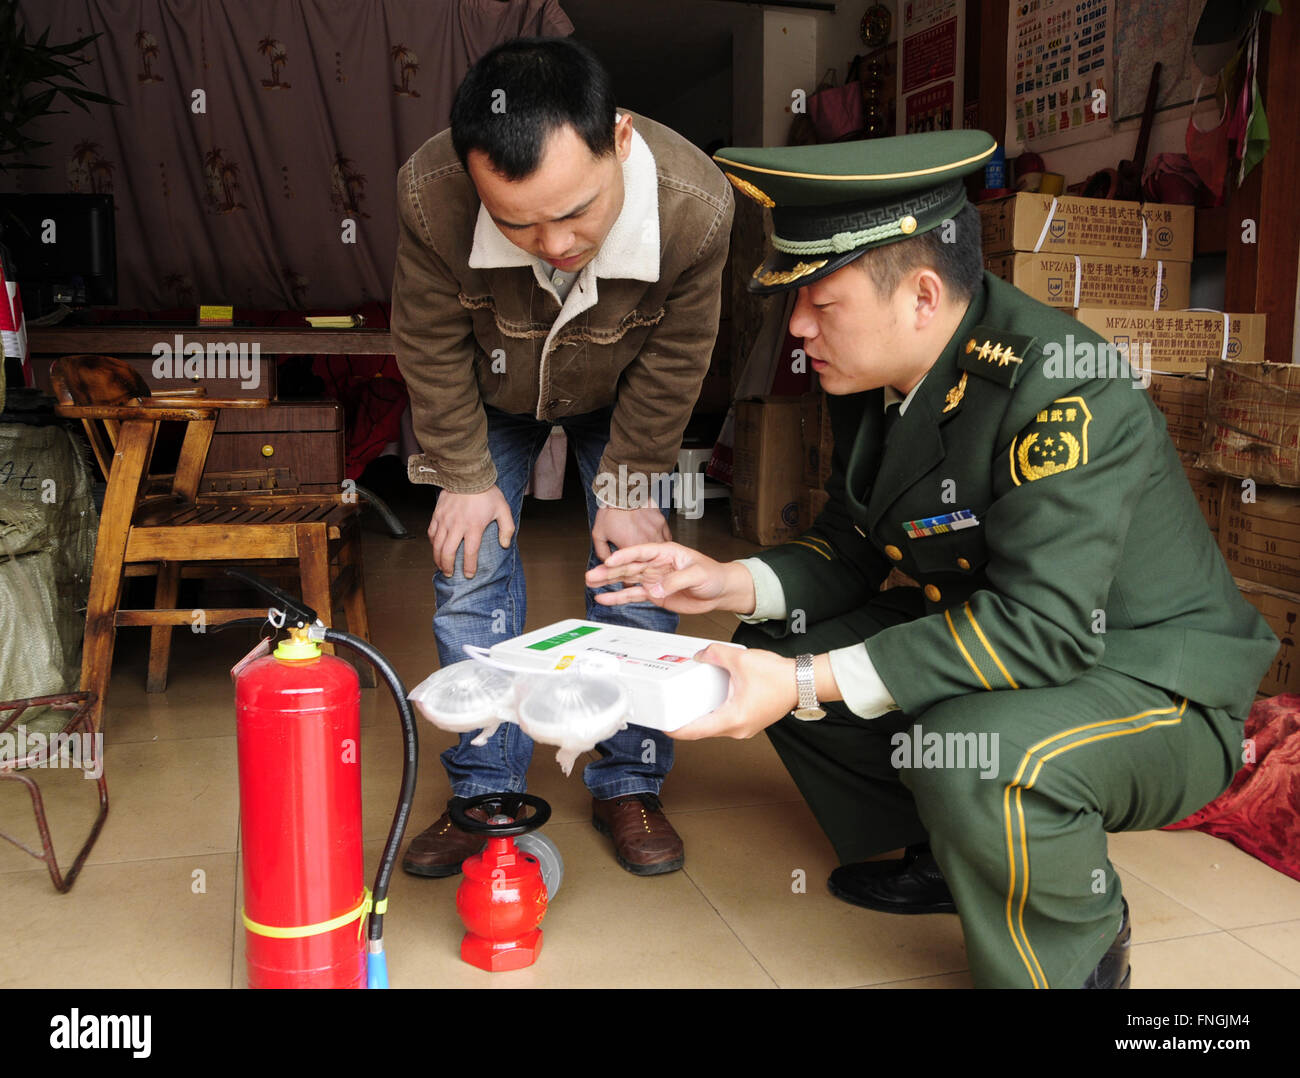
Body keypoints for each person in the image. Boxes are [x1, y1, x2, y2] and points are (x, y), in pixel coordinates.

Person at [586, 129, 1278, 988]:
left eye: (820, 301)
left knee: (974, 750)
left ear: (920, 294)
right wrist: (722, 580)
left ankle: (1078, 949)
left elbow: (1041, 631)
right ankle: (957, 855)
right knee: (771, 644)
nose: (798, 327)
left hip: (1149, 679)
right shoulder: (879, 376)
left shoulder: (1061, 385)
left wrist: (805, 687)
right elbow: (850, 542)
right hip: (1017, 636)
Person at [390, 37, 734, 877]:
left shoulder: (699, 207)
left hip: (624, 397)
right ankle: (485, 791)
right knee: (467, 570)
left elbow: (681, 353)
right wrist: (464, 478)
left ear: (618, 139)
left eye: (578, 212)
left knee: (635, 570)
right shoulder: (432, 197)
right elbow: (429, 344)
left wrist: (628, 478)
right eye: (517, 222)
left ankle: (629, 781)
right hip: (490, 394)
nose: (554, 242)